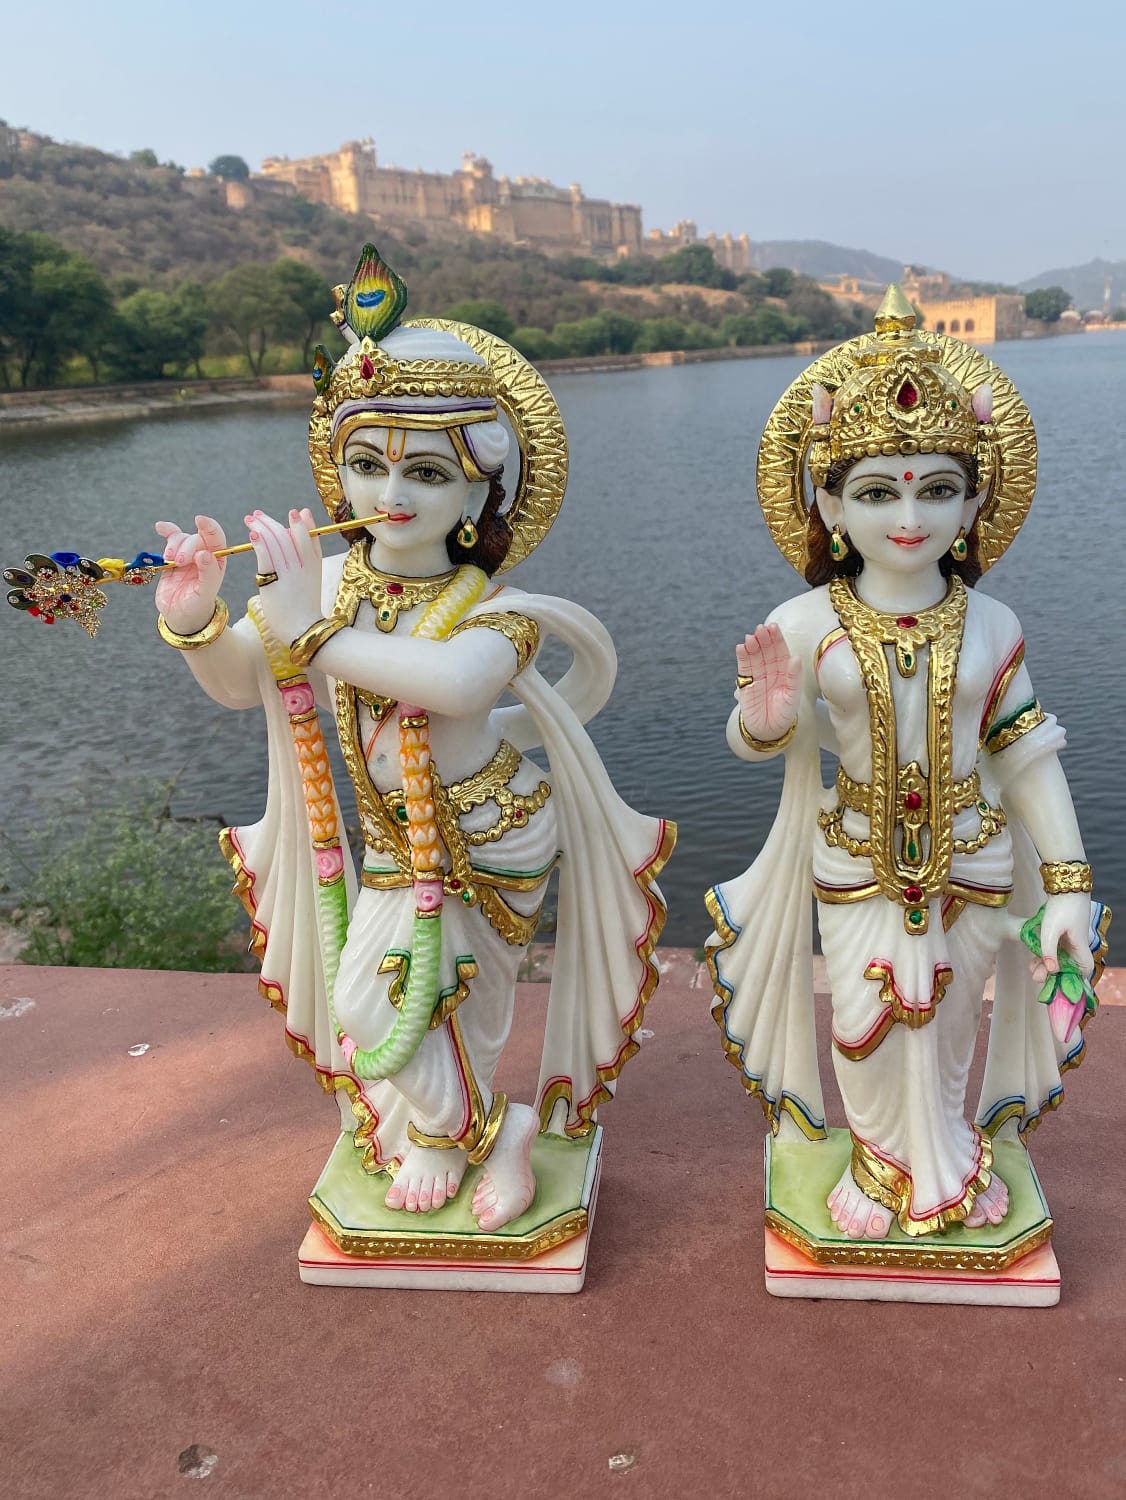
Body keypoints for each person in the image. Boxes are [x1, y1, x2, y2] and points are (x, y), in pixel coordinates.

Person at [154, 246, 673, 1235]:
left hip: (493, 833)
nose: (390, 494)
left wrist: (309, 629)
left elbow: (452, 684)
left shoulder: (498, 609)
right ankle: (489, 1130)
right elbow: (238, 681)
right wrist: (196, 619)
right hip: (398, 841)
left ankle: (465, 1133)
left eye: (426, 473)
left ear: (479, 496)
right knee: (375, 1004)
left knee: (454, 1005)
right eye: (367, 466)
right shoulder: (329, 589)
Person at [706, 287, 1107, 1242]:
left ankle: (949, 1154)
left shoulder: (994, 624)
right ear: (831, 506)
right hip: (854, 856)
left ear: (974, 503)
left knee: (952, 1024)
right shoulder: (807, 621)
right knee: (866, 1025)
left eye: (936, 490)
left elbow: (1026, 751)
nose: (909, 517)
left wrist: (1068, 883)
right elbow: (753, 737)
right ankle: (882, 1163)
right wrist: (764, 722)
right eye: (879, 492)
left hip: (974, 855)